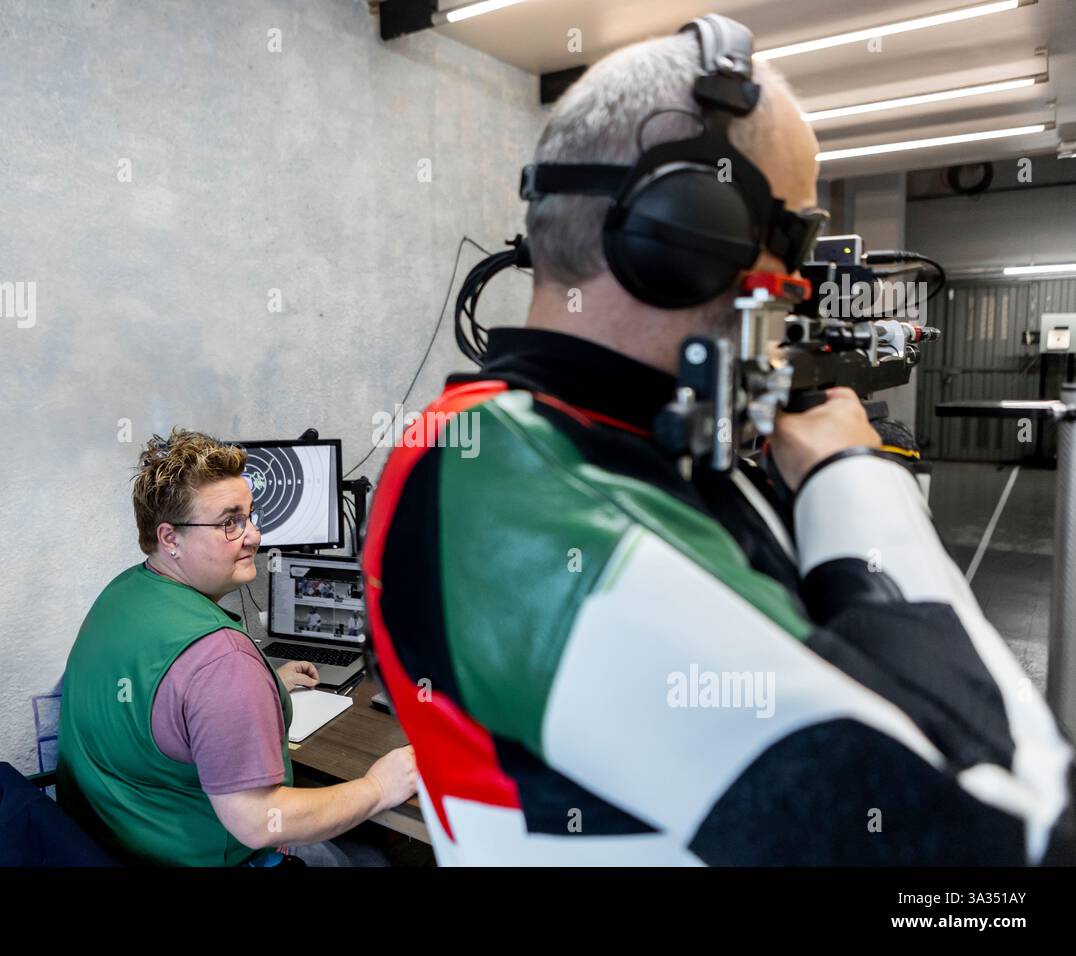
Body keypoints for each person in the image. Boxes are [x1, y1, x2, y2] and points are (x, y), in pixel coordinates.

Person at [363, 18, 1075, 865]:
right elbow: (1014, 845)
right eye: (795, 241)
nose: (799, 284)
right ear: (686, 231)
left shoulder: (637, 441)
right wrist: (854, 482)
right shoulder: (493, 476)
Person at [57, 427, 416, 866]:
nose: (254, 537)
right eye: (230, 522)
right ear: (170, 538)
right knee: (373, 856)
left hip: (115, 842)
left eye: (249, 516)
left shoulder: (120, 596)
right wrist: (378, 787)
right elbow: (260, 821)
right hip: (209, 855)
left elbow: (169, 700)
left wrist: (266, 684)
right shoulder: (223, 662)